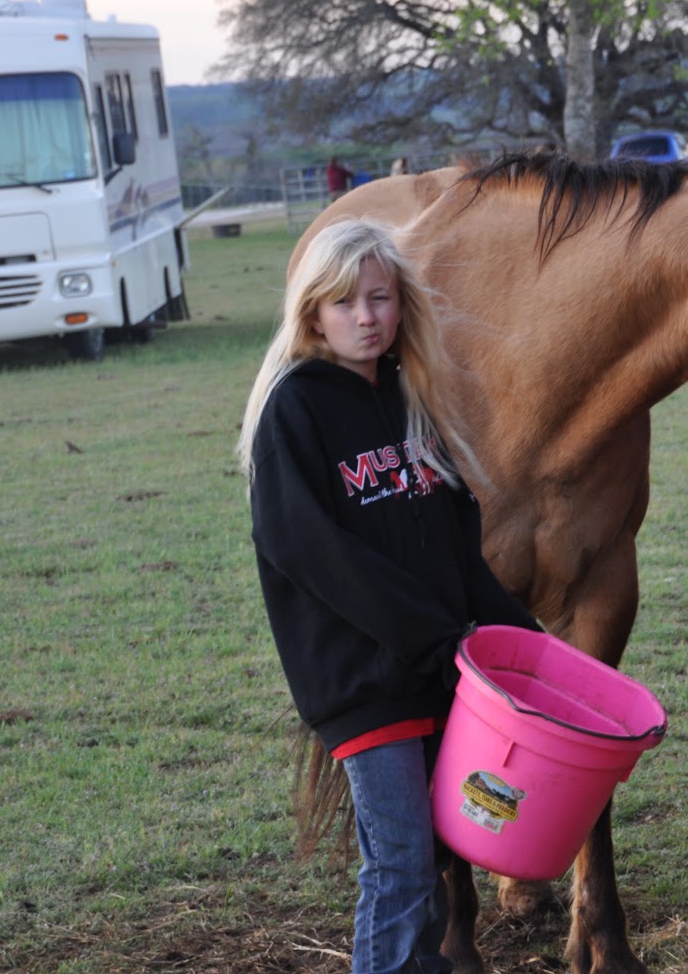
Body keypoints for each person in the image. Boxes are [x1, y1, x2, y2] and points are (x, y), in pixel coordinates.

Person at [236, 219, 542, 974]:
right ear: (313, 312)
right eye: (344, 302)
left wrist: (532, 646)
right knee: (401, 862)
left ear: (402, 304)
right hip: (363, 681)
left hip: (437, 671)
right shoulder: (295, 411)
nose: (366, 316)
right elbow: (309, 550)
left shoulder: (411, 403)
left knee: (433, 856)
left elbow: (456, 549)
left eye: (379, 297)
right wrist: (427, 636)